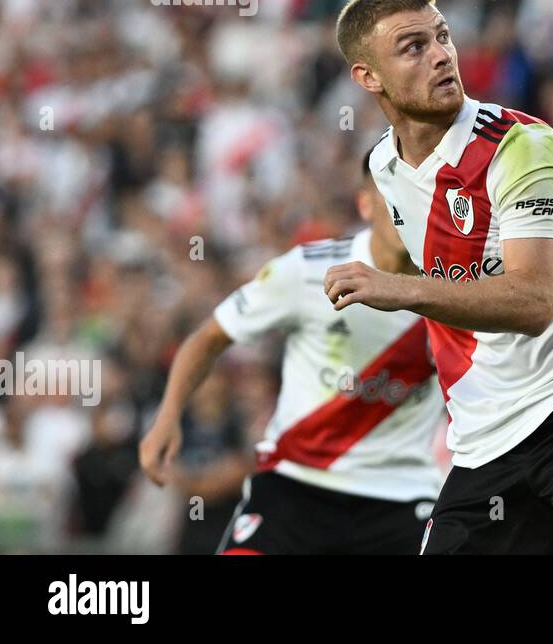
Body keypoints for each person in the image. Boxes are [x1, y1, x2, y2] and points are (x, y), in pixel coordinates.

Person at [325, 0, 553, 555]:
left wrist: (397, 290)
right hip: (487, 436)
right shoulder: (384, 167)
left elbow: (532, 302)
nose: (441, 55)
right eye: (413, 47)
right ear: (368, 78)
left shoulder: (522, 148)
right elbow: (448, 279)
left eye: (442, 37)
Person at [138, 153, 449, 554]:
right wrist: (168, 416)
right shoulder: (306, 271)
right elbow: (210, 337)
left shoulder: (455, 290)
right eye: (391, 194)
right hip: (295, 486)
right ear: (365, 203)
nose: (404, 207)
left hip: (401, 497)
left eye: (415, 194)